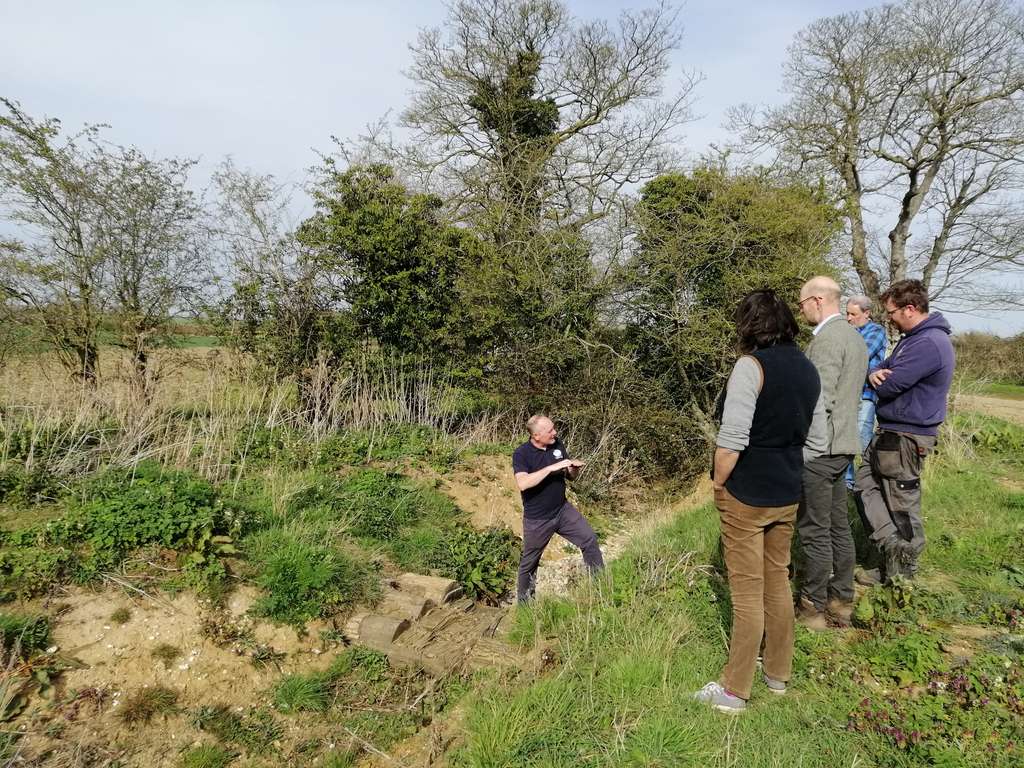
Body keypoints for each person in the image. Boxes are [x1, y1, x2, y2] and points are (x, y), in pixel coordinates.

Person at [694, 289, 826, 714]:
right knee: (778, 582)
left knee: (747, 593)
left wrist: (718, 484)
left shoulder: (750, 367)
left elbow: (732, 439)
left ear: (749, 326)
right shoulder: (808, 369)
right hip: (787, 492)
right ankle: (778, 674)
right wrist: (787, 466)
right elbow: (817, 440)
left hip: (746, 494)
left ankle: (734, 691)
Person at [854, 279, 955, 582]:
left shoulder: (928, 343)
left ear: (910, 308)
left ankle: (903, 577)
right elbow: (879, 368)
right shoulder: (911, 339)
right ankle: (891, 553)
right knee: (864, 486)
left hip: (906, 436)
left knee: (901, 504)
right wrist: (874, 373)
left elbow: (891, 384)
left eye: (892, 313)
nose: (889, 319)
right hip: (890, 431)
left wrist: (879, 377)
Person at [793, 277, 868, 630]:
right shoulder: (855, 336)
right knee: (838, 526)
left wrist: (805, 451)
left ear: (818, 300)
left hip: (822, 450)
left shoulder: (827, 340)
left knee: (814, 530)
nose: (801, 310)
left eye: (802, 303)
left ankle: (812, 608)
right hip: (844, 446)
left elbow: (818, 402)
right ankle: (842, 600)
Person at [512, 415, 604, 603]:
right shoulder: (522, 453)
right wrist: (550, 468)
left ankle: (600, 589)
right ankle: (525, 607)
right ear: (536, 436)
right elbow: (523, 483)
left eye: (554, 428)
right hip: (538, 519)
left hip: (562, 510)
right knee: (529, 563)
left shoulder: (557, 444)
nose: (555, 433)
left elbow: (570, 476)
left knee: (589, 540)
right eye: (550, 431)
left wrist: (573, 469)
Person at [845, 296, 888, 490]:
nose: (848, 318)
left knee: (863, 441)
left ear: (867, 313)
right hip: (847, 395)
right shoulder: (848, 331)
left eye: (853, 314)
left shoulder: (876, 331)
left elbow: (859, 354)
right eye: (847, 313)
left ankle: (869, 483)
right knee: (844, 440)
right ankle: (847, 483)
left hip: (865, 396)